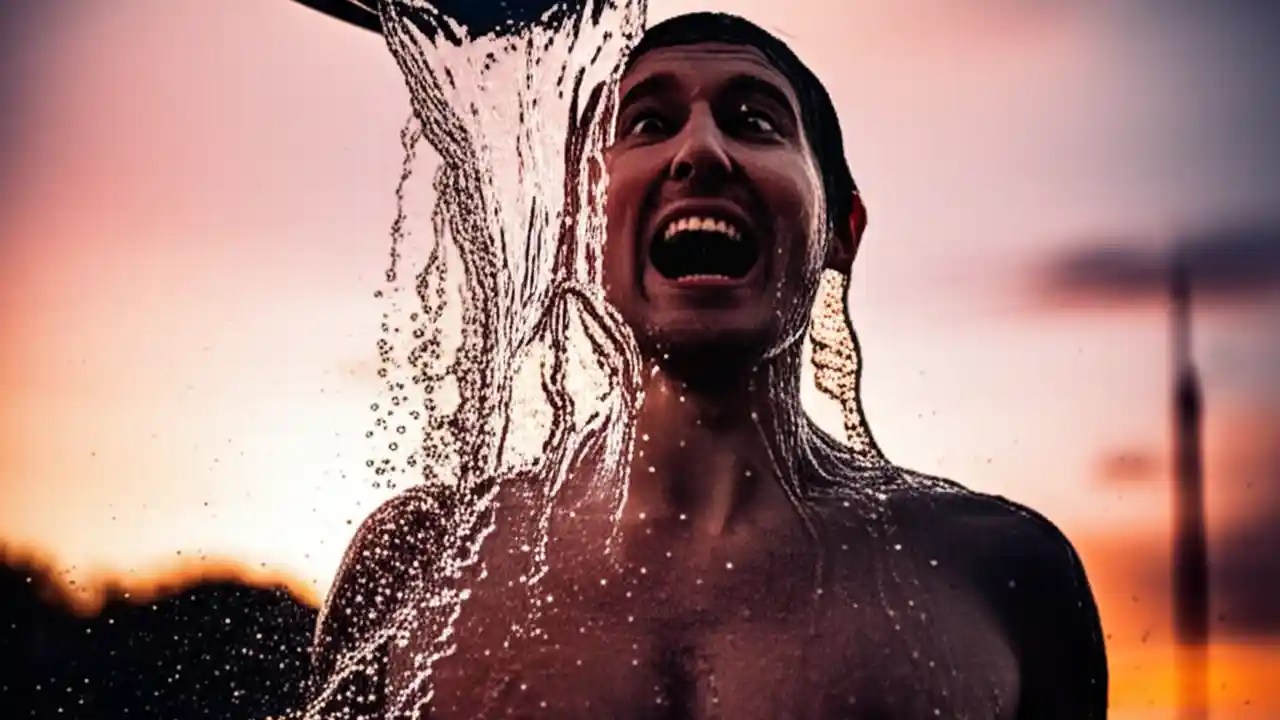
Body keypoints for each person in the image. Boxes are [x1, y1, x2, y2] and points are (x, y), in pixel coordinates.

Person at [307, 12, 1108, 719]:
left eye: (756, 121)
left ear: (842, 229)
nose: (699, 149)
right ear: (578, 225)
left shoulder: (1003, 574)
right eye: (647, 124)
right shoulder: (420, 560)